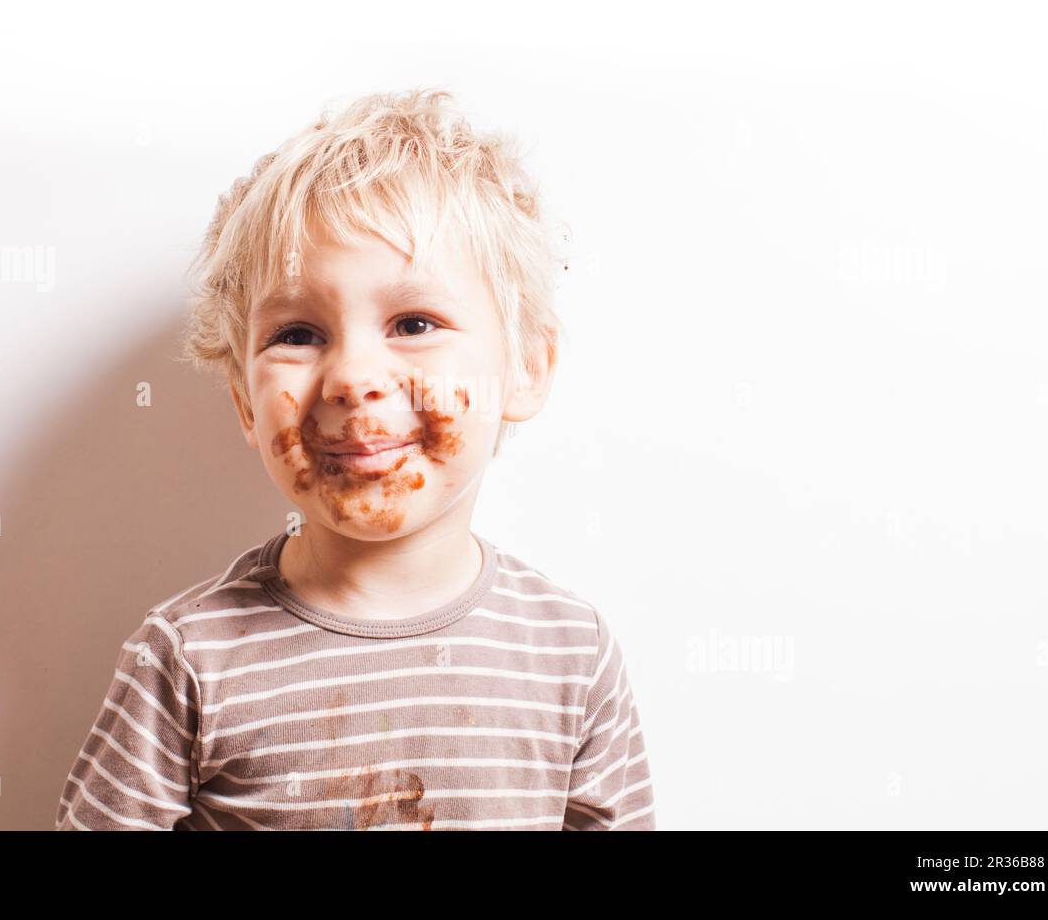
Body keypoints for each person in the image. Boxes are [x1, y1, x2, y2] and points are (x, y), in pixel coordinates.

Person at [54, 89, 654, 830]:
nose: (351, 378)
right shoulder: (186, 660)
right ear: (245, 398)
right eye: (299, 334)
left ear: (525, 369)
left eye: (414, 322)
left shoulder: (570, 656)